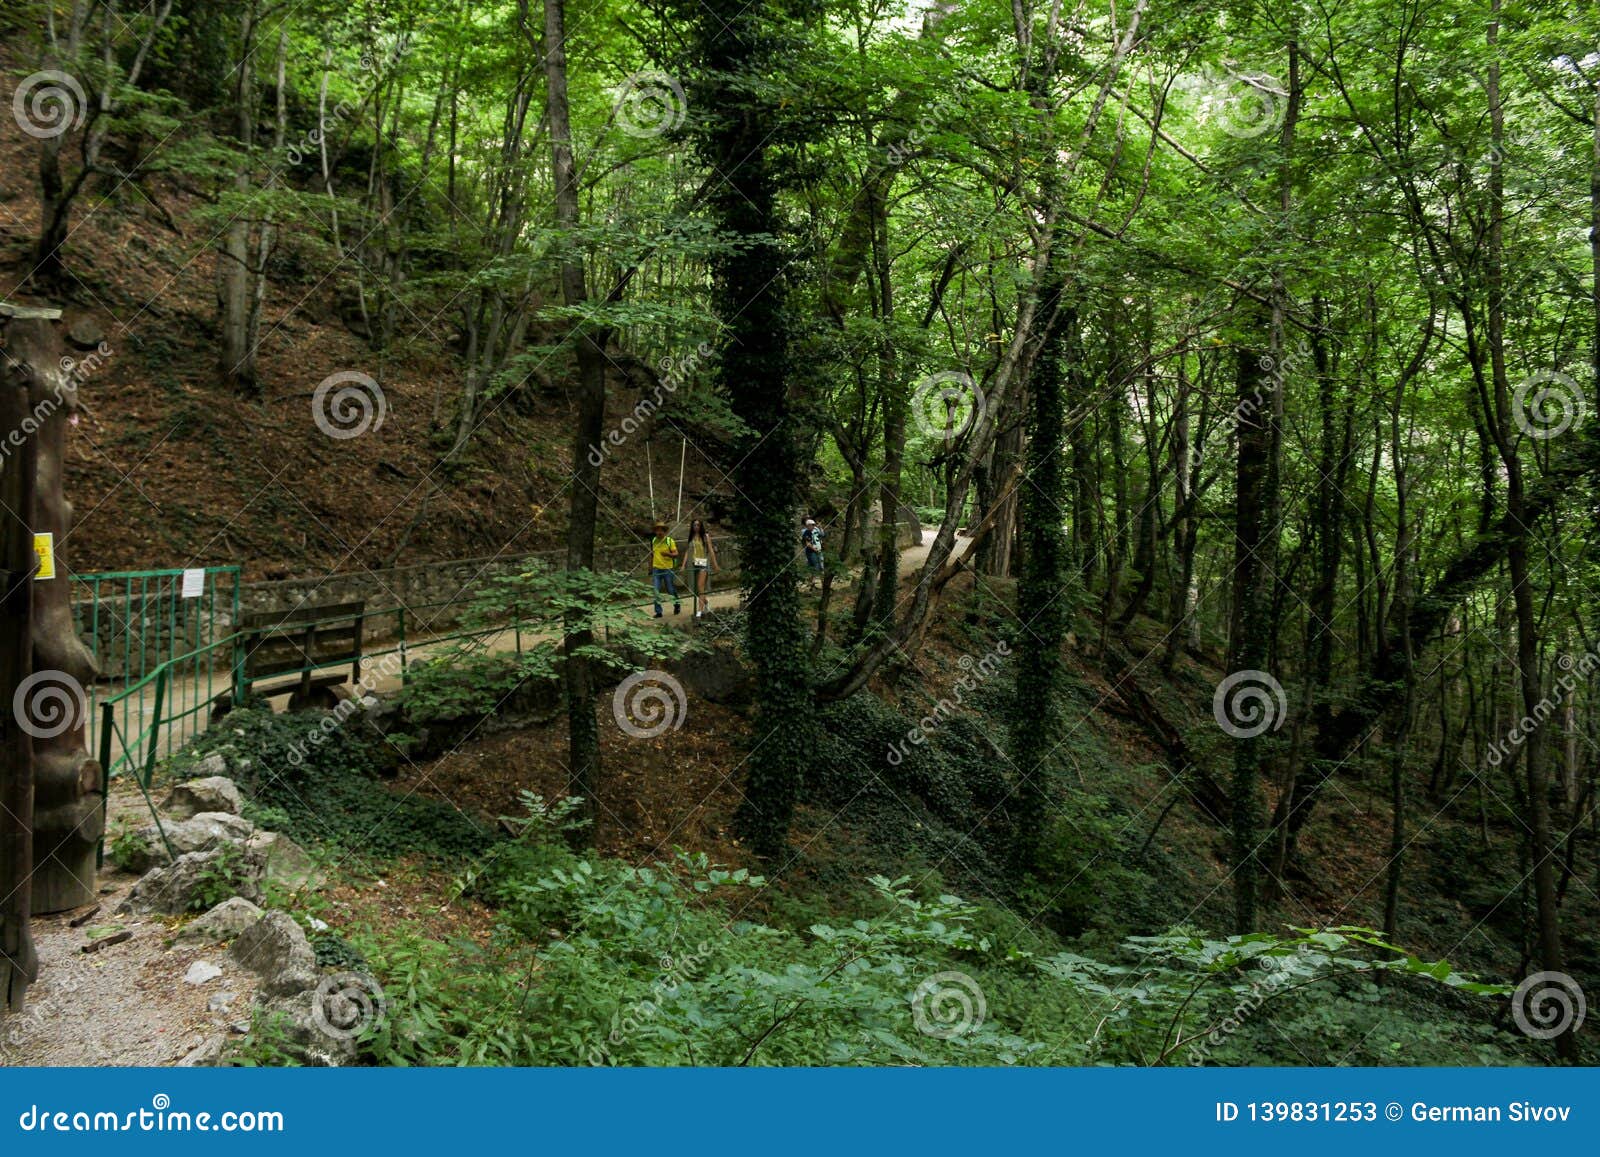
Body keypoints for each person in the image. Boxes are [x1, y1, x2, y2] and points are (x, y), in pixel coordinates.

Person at [681, 518, 718, 618]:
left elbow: (710, 550)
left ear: (701, 526)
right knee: (696, 588)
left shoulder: (705, 536)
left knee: (700, 586)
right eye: (694, 525)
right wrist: (683, 565)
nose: (696, 527)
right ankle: (705, 601)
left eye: (698, 525)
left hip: (703, 563)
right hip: (693, 563)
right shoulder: (691, 537)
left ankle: (699, 610)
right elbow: (687, 551)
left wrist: (715, 565)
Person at [649, 521, 680, 616]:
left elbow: (676, 554)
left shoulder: (669, 541)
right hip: (656, 568)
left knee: (670, 590)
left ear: (664, 531)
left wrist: (667, 554)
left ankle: (677, 604)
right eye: (657, 530)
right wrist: (650, 567)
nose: (659, 532)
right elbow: (652, 554)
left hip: (667, 568)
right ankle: (658, 612)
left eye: (661, 530)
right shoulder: (654, 540)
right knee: (656, 590)